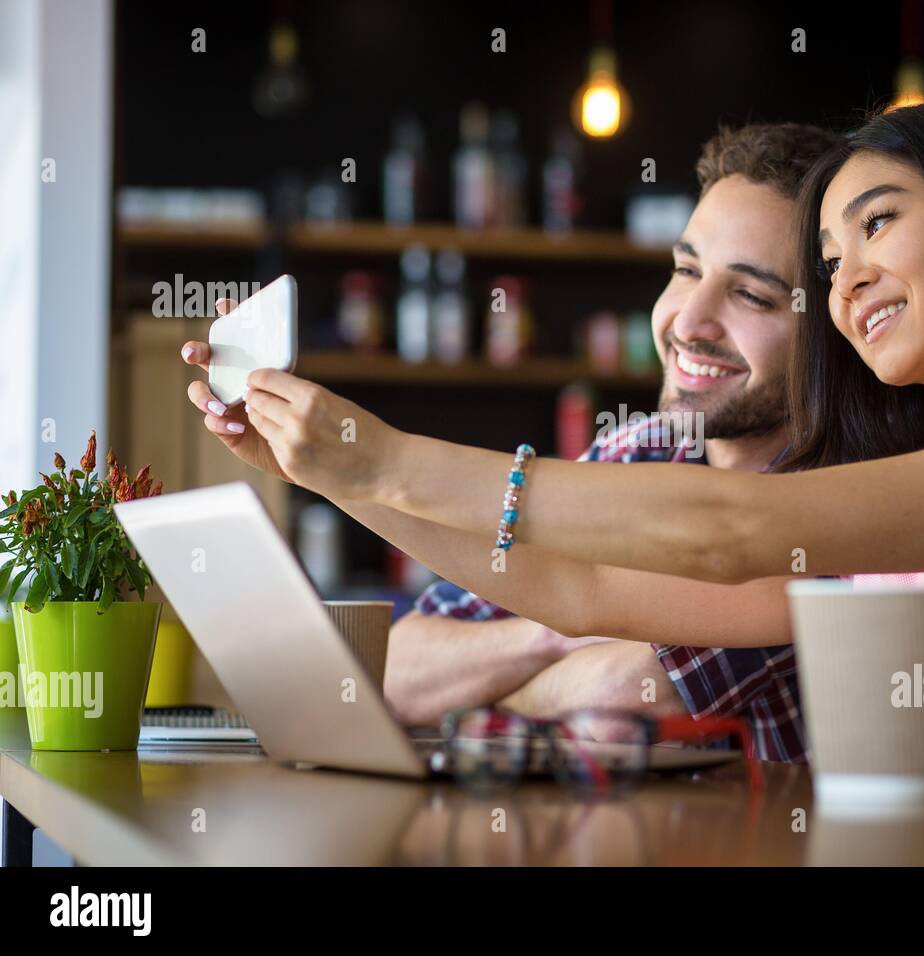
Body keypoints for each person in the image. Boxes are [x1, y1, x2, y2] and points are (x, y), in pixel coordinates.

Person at [184, 101, 924, 811]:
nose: (848, 276)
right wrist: (331, 473)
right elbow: (581, 588)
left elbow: (730, 531)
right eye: (827, 259)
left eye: (877, 225)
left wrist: (390, 456)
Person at [182, 122, 841, 763]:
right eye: (685, 270)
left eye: (752, 296)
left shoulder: (839, 513)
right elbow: (392, 671)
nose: (689, 321)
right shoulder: (639, 450)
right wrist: (553, 634)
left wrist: (500, 669)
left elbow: (629, 693)